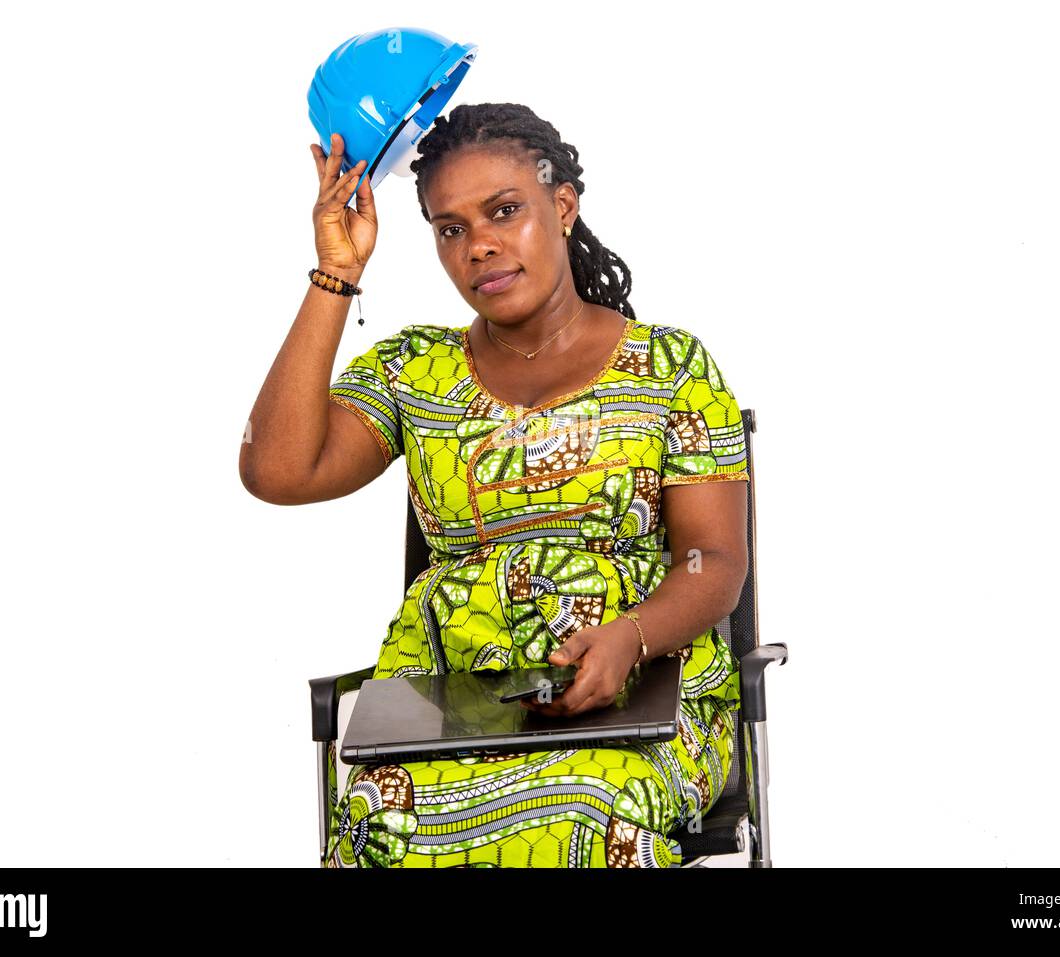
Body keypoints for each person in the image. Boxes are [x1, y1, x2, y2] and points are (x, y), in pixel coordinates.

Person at [240, 103, 751, 867]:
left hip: (642, 697)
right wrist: (336, 276)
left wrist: (631, 637)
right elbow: (276, 470)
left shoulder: (672, 367)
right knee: (380, 824)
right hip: (448, 703)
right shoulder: (415, 372)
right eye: (450, 229)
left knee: (582, 811)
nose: (479, 244)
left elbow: (714, 560)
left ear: (564, 205)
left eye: (504, 211)